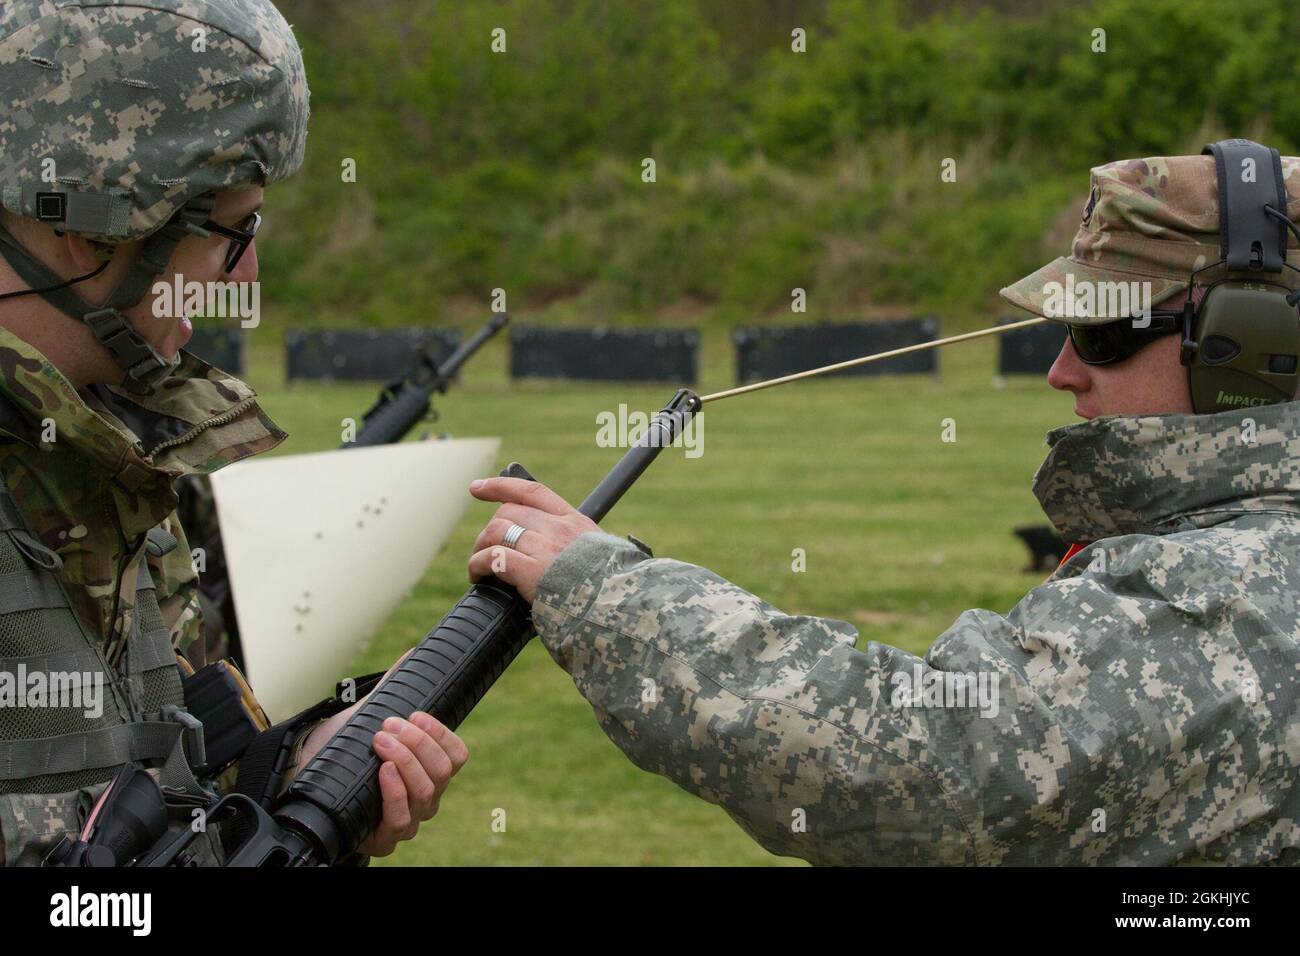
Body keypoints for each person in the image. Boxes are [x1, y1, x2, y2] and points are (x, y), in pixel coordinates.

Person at [468, 149, 1300, 865]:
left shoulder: (1237, 594)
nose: (1062, 371)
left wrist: (608, 597)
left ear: (1251, 346)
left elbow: (944, 772)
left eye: (1101, 333)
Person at [0, 0, 464, 865]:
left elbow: (160, 756)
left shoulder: (116, 446)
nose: (246, 272)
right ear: (86, 226)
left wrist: (295, 775)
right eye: (231, 230)